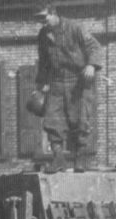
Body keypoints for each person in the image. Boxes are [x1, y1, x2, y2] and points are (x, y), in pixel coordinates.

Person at [35, 2, 103, 173]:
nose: (42, 22)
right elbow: (43, 61)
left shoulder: (75, 28)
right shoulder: (43, 34)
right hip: (56, 81)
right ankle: (58, 159)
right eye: (38, 19)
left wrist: (92, 65)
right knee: (52, 120)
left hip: (78, 80)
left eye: (44, 17)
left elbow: (94, 47)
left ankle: (80, 158)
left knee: (80, 119)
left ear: (53, 13)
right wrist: (41, 83)